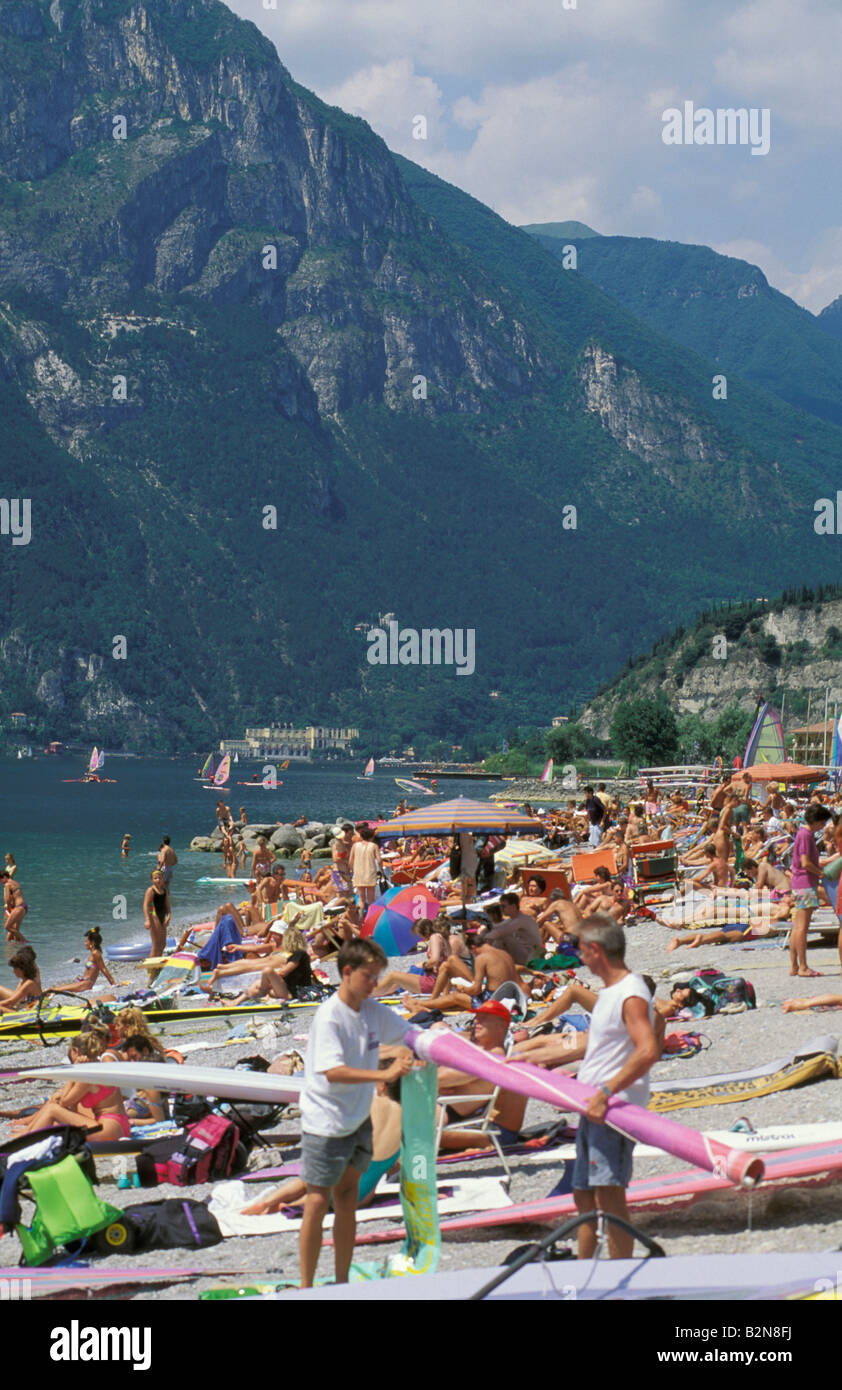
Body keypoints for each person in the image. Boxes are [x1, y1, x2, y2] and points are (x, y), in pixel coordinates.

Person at [298, 938, 414, 1288]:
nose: (374, 984)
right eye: (369, 976)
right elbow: (333, 1072)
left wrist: (427, 1046)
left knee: (347, 1200)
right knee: (317, 1202)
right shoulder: (330, 1016)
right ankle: (306, 1286)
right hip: (326, 1121)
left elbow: (409, 1033)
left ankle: (341, 1282)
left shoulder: (371, 1010)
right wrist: (384, 1074)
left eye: (377, 976)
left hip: (358, 1119)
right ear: (347, 972)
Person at [550, 914, 658, 1260]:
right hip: (593, 1105)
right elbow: (604, 1049)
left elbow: (648, 1050)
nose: (578, 955)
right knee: (584, 1195)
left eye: (581, 948)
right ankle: (586, 1271)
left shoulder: (631, 993)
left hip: (612, 1110)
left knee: (610, 1197)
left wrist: (606, 1092)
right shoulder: (611, 992)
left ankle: (619, 1273)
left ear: (596, 949)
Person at [243, 1067, 403, 1215]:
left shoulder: (368, 1102)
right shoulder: (407, 1120)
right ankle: (288, 1206)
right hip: (358, 1200)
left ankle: (267, 1202)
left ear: (383, 1085)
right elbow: (395, 1167)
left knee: (307, 1181)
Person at [437, 1000, 527, 1148]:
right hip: (447, 1108)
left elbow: (439, 1077)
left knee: (406, 1130)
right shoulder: (481, 1053)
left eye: (485, 1018)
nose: (477, 1022)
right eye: (477, 1017)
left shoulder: (494, 1057)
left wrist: (438, 1084)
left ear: (502, 1026)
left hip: (448, 1111)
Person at [17, 1032, 131, 1139]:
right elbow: (71, 1106)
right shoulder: (99, 1066)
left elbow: (64, 1102)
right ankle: (26, 1133)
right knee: (53, 1106)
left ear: (76, 1051)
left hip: (108, 1128)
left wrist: (74, 1072)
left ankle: (26, 1140)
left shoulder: (87, 1076)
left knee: (52, 1109)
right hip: (118, 1125)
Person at [402, 929, 523, 1015]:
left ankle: (420, 1003)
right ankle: (433, 1002)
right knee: (449, 963)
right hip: (509, 995)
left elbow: (476, 990)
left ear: (474, 948)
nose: (473, 956)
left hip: (493, 1000)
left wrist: (462, 989)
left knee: (455, 996)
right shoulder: (504, 954)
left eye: (472, 953)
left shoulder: (482, 958)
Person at [790, 803, 833, 978]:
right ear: (816, 821)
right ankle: (803, 967)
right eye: (821, 823)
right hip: (805, 883)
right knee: (802, 927)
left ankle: (794, 966)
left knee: (797, 926)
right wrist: (820, 873)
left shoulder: (802, 833)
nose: (822, 827)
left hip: (799, 883)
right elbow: (806, 863)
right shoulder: (806, 835)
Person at [484, 891, 543, 966]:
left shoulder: (521, 920)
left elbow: (499, 932)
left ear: (513, 907)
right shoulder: (513, 919)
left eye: (503, 906)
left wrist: (483, 944)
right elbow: (495, 927)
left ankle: (490, 963)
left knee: (504, 937)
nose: (501, 909)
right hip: (526, 954)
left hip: (531, 959)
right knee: (496, 937)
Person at [50, 929, 116, 994]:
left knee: (54, 990)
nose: (85, 943)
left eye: (86, 941)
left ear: (92, 942)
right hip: (82, 983)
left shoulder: (95, 953)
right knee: (55, 988)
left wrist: (113, 983)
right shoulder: (93, 953)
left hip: (85, 985)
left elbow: (103, 969)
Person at [349, 825, 382, 912]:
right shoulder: (374, 846)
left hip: (359, 874)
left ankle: (360, 918)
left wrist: (353, 871)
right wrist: (381, 870)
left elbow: (350, 861)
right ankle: (371, 918)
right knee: (371, 899)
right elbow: (379, 860)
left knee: (361, 899)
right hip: (370, 873)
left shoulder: (355, 846)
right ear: (371, 837)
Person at [142, 869, 170, 961]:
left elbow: (167, 904)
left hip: (162, 917)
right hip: (154, 917)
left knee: (163, 944)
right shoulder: (151, 890)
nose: (158, 880)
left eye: (160, 878)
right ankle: (151, 966)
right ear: (152, 880)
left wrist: (169, 916)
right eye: (155, 878)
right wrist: (147, 919)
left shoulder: (164, 890)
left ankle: (157, 963)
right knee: (156, 944)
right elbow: (145, 905)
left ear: (163, 879)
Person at [1, 870, 28, 943]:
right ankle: (17, 946)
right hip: (24, 907)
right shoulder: (16, 883)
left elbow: (7, 899)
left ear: (4, 877)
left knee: (7, 927)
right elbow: (15, 896)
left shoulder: (7, 885)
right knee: (15, 930)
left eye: (0, 880)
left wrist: (8, 908)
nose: (1, 882)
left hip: (18, 907)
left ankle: (24, 941)